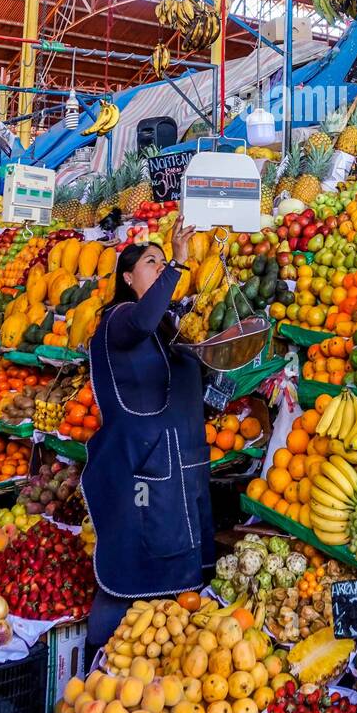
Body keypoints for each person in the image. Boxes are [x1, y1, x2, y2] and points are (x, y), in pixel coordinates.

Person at [82, 218, 214, 656]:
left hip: (174, 466)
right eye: (150, 262)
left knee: (175, 592)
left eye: (162, 262)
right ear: (126, 276)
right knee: (132, 570)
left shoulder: (163, 326)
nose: (158, 268)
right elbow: (141, 320)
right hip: (139, 469)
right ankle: (101, 660)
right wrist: (177, 262)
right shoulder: (119, 320)